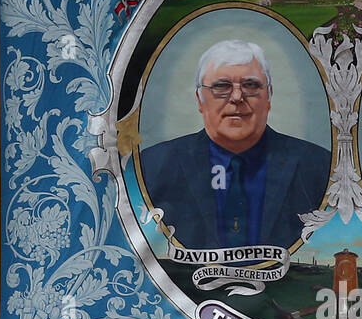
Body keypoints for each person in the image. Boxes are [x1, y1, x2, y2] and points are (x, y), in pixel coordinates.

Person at [139, 38, 333, 251]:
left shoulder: (319, 166)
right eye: (221, 86)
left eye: (250, 85)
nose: (237, 97)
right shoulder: (152, 167)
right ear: (199, 99)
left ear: (269, 96)